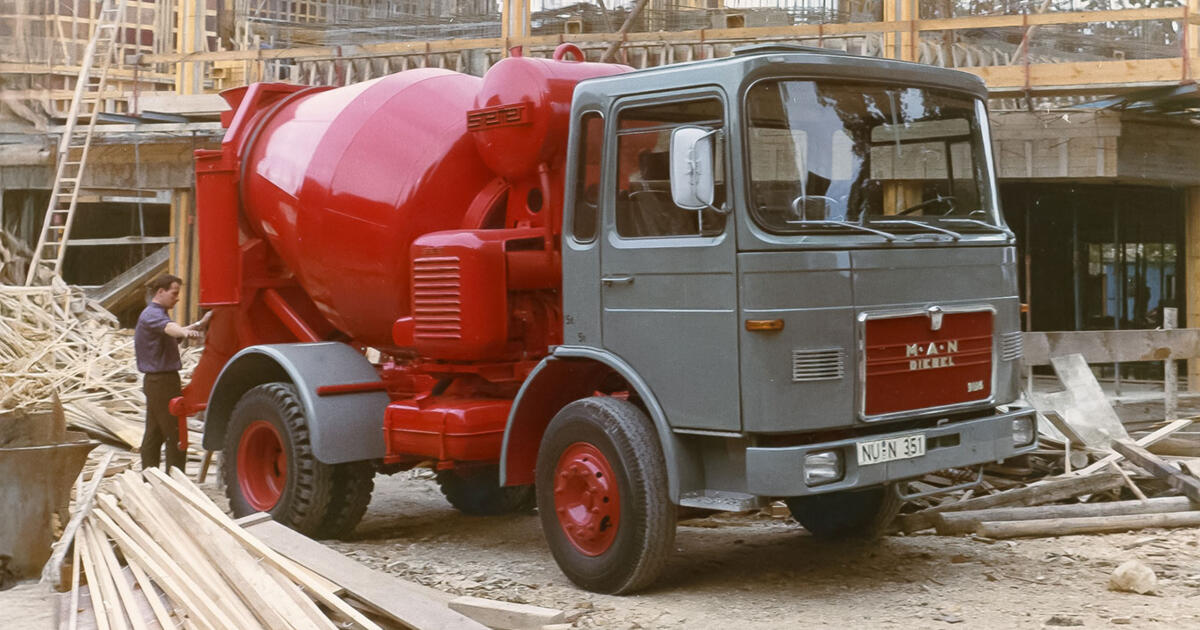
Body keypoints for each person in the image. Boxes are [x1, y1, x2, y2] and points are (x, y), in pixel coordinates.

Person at [135, 274, 209, 472]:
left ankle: (149, 477)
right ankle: (176, 482)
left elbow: (172, 329)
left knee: (155, 432)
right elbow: (171, 328)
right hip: (162, 382)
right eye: (174, 293)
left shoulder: (155, 314)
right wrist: (185, 333)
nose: (177, 298)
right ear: (160, 292)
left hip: (157, 381)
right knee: (175, 433)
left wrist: (197, 325)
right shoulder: (153, 314)